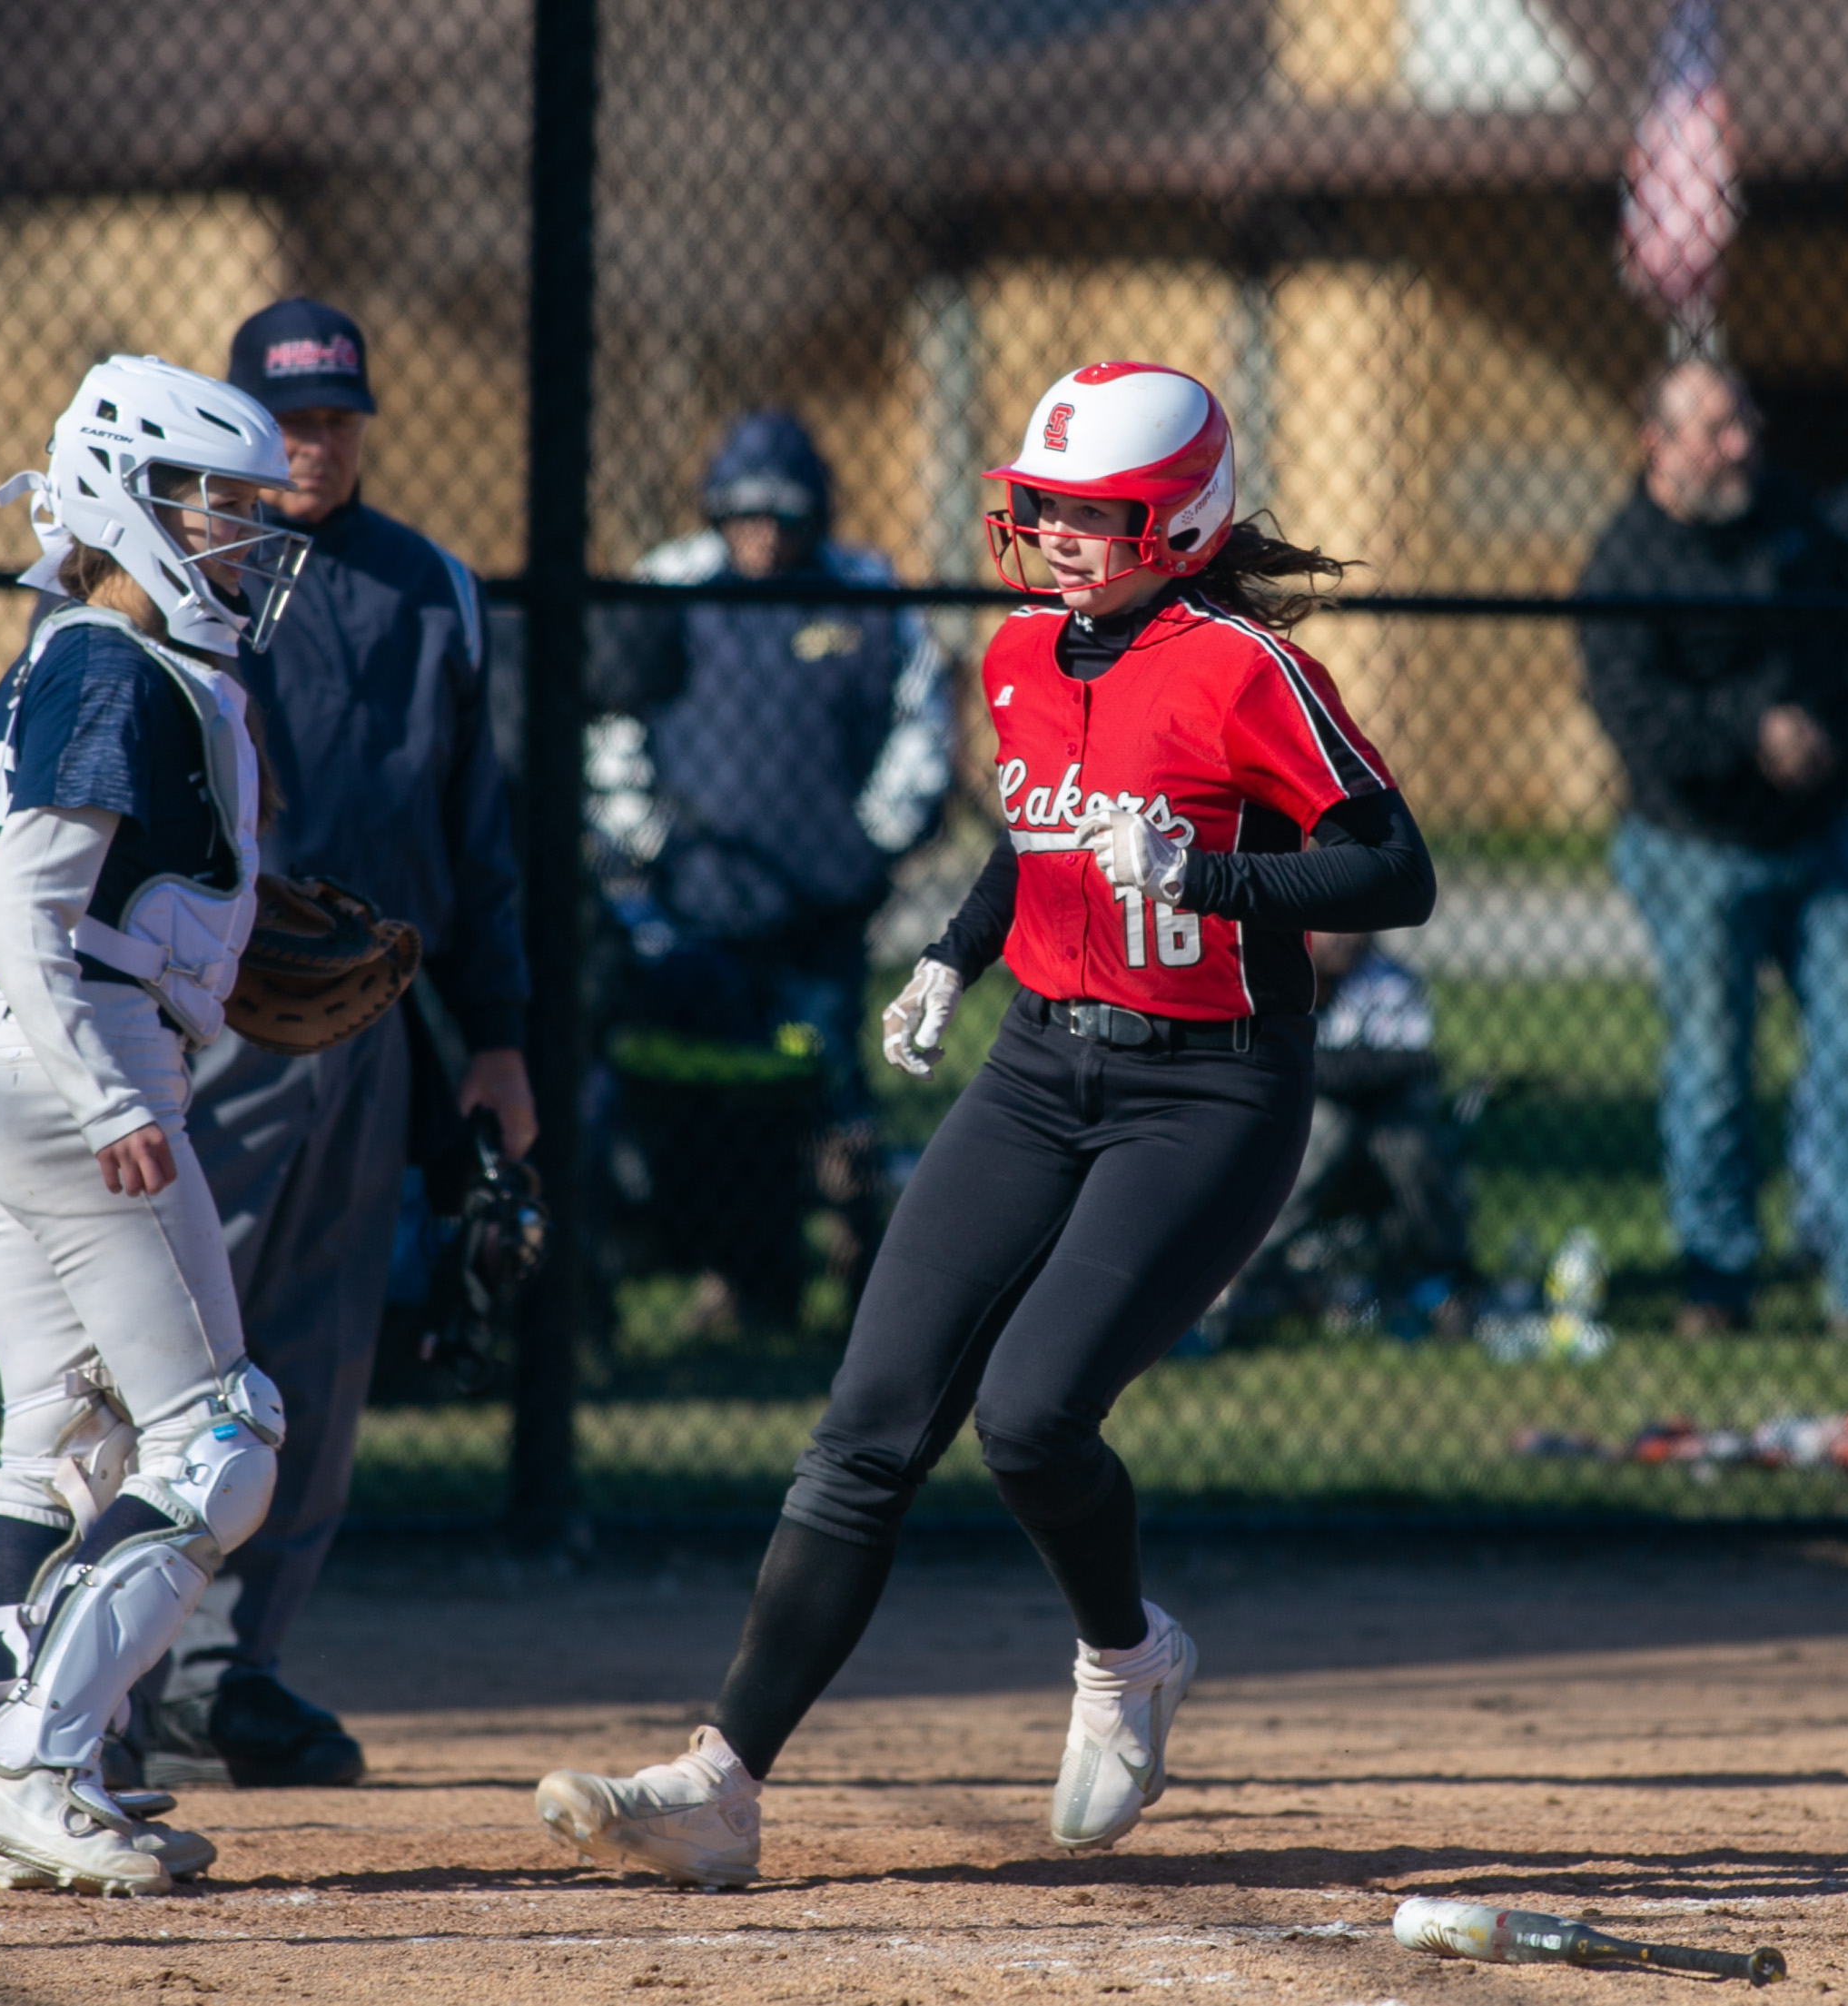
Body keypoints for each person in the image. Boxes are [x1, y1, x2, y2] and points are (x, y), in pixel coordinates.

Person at [531, 361, 1434, 1886]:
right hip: (1032, 1065)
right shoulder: (1018, 654)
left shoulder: (1239, 666)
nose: (1063, 538)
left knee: (1028, 1415)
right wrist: (953, 953)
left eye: (1100, 514)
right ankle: (721, 1779)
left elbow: (1390, 870)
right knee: (863, 1426)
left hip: (1207, 1083)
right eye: (1048, 511)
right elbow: (1041, 838)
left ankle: (1126, 1654)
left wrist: (1206, 878)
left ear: (1180, 522)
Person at [124, 300, 534, 1792]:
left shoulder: (430, 586)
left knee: (315, 1349)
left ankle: (233, 1668)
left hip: (365, 1017)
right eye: (285, 415)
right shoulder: (179, 566)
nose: (310, 441)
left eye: (335, 415)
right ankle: (110, 1658)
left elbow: (473, 832)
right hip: (201, 1013)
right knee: (171, 1330)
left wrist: (495, 1037)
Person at [0, 353, 308, 1895]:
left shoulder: (70, 651)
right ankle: (26, 1759)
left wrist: (166, 933)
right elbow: (20, 892)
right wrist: (108, 1073)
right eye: (216, 506)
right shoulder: (116, 663)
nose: (241, 536)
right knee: (221, 1439)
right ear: (121, 498)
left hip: (7, 1056)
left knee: (64, 1440)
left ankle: (61, 1759)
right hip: (78, 1070)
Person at [586, 410, 951, 1326]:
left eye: (783, 516)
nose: (762, 533)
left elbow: (921, 729)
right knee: (716, 1101)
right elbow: (614, 722)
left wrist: (870, 841)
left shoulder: (866, 594)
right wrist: (646, 837)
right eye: (743, 514)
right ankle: (742, 1280)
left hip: (824, 911)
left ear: (814, 516)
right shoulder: (671, 587)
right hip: (698, 902)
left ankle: (870, 1282)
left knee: (832, 1096)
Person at [1576, 358, 1848, 1336]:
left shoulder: (1800, 529)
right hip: (1694, 842)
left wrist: (1832, 740)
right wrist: (1756, 734)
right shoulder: (1624, 563)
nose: (1739, 445)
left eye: (1744, 422)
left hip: (1814, 833)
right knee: (1714, 1067)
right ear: (1657, 446)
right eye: (1713, 430)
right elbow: (1642, 723)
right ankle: (1714, 1278)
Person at [1198, 932, 1467, 1341]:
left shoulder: (1393, 981)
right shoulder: (1272, 975)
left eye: (1356, 925)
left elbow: (1416, 1062)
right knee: (1328, 1127)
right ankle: (1239, 1273)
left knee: (1409, 1144)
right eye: (1332, 927)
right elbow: (1263, 1065)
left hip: (1382, 1125)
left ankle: (1438, 1276)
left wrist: (1327, 1071)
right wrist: (1358, 1070)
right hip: (1299, 1127)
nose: (1345, 938)